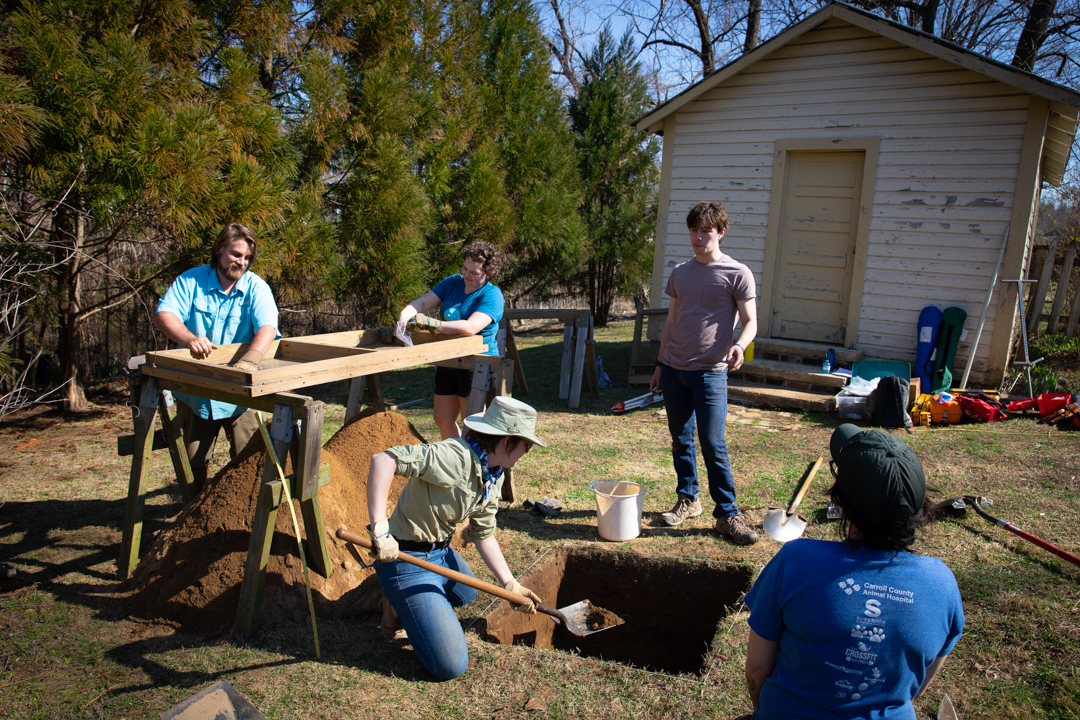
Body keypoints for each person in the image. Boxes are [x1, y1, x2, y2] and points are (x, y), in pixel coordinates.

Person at [741, 424, 964, 720]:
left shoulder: (796, 560)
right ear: (919, 504)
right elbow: (917, 686)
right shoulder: (942, 585)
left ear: (840, 503)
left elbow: (757, 667)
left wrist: (762, 710)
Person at [366, 396, 545, 680]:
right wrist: (380, 530)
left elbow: (484, 534)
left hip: (439, 553)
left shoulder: (493, 474)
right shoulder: (453, 456)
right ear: (508, 439)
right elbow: (384, 460)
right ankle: (395, 600)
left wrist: (510, 584)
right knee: (450, 665)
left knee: (466, 594)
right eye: (526, 444)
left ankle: (404, 602)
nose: (528, 451)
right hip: (406, 559)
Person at [649, 201, 759, 544]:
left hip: (710, 372)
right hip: (674, 370)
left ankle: (727, 515)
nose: (698, 237)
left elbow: (751, 321)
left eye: (706, 231)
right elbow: (671, 321)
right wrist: (659, 364)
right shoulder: (680, 272)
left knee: (712, 442)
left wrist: (739, 345)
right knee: (681, 440)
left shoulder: (737, 273)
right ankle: (688, 499)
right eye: (694, 230)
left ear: (721, 232)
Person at [154, 223, 279, 492]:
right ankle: (192, 511)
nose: (241, 262)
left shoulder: (257, 288)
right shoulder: (190, 281)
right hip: (196, 392)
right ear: (220, 249)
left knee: (249, 461)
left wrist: (248, 362)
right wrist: (190, 339)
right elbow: (165, 314)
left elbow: (267, 328)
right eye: (236, 254)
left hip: (241, 397)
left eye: (246, 258)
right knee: (194, 462)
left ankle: (246, 520)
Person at [396, 241, 504, 439]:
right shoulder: (453, 282)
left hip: (477, 364)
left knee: (472, 422)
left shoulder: (492, 295)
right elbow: (422, 302)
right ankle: (453, 462)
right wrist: (405, 315)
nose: (467, 275)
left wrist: (432, 324)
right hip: (449, 359)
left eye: (474, 272)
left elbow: (471, 327)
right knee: (443, 419)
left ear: (488, 274)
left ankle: (474, 466)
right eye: (465, 268)